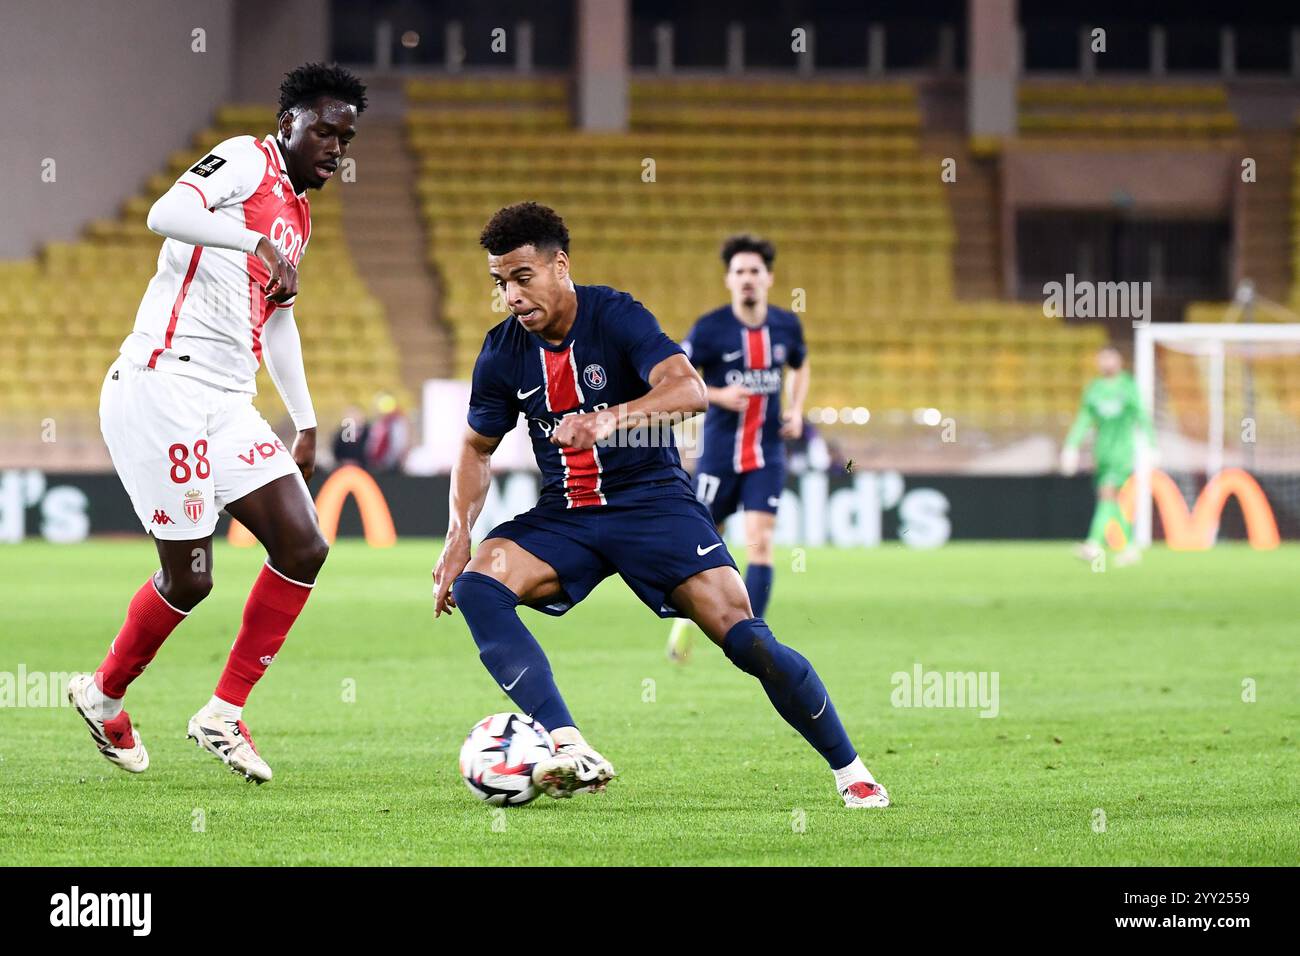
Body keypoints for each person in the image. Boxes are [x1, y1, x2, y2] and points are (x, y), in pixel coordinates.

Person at [432, 203, 887, 809]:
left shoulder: (616, 315)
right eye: (500, 284)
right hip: (567, 512)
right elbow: (475, 449)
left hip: (654, 505)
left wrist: (609, 419)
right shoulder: (501, 353)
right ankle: (568, 745)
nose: (511, 296)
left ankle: (851, 769)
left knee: (748, 641)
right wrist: (457, 537)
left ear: (559, 265)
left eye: (522, 278)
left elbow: (689, 390)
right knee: (479, 587)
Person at [68, 63, 367, 783]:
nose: (335, 145)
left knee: (303, 545)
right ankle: (103, 694)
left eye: (346, 136)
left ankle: (222, 714)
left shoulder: (299, 218)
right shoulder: (244, 159)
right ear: (287, 121)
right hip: (162, 384)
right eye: (324, 128)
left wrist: (305, 420)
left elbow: (282, 322)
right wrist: (252, 243)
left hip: (229, 402)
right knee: (192, 577)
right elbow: (164, 213)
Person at [666, 235, 809, 662]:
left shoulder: (786, 326)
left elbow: (800, 365)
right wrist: (718, 394)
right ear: (729, 280)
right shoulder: (710, 328)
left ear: (768, 278)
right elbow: (677, 377)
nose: (747, 279)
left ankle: (753, 638)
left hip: (766, 454)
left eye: (754, 271)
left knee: (760, 542)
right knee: (703, 546)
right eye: (740, 272)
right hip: (718, 456)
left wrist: (797, 409)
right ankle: (687, 619)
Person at [1060, 344, 1155, 566]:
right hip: (1101, 453)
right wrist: (1071, 446)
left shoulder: (1127, 387)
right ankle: (1130, 547)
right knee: (1112, 500)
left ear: (1119, 362)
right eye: (1102, 359)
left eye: (1110, 359)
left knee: (1107, 494)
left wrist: (1152, 444)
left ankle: (1093, 544)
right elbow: (1084, 419)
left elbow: (1142, 415)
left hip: (1121, 452)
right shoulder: (1094, 389)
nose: (1106, 364)